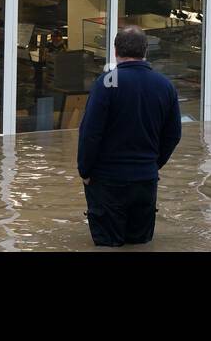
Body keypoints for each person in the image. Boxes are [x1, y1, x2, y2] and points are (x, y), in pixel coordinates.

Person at [77, 25, 182, 246]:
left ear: (115, 51)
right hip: (145, 180)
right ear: (146, 51)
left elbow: (90, 133)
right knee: (140, 244)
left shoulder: (106, 83)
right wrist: (153, 164)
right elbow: (173, 134)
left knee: (108, 244)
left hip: (107, 181)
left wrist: (84, 170)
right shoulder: (165, 86)